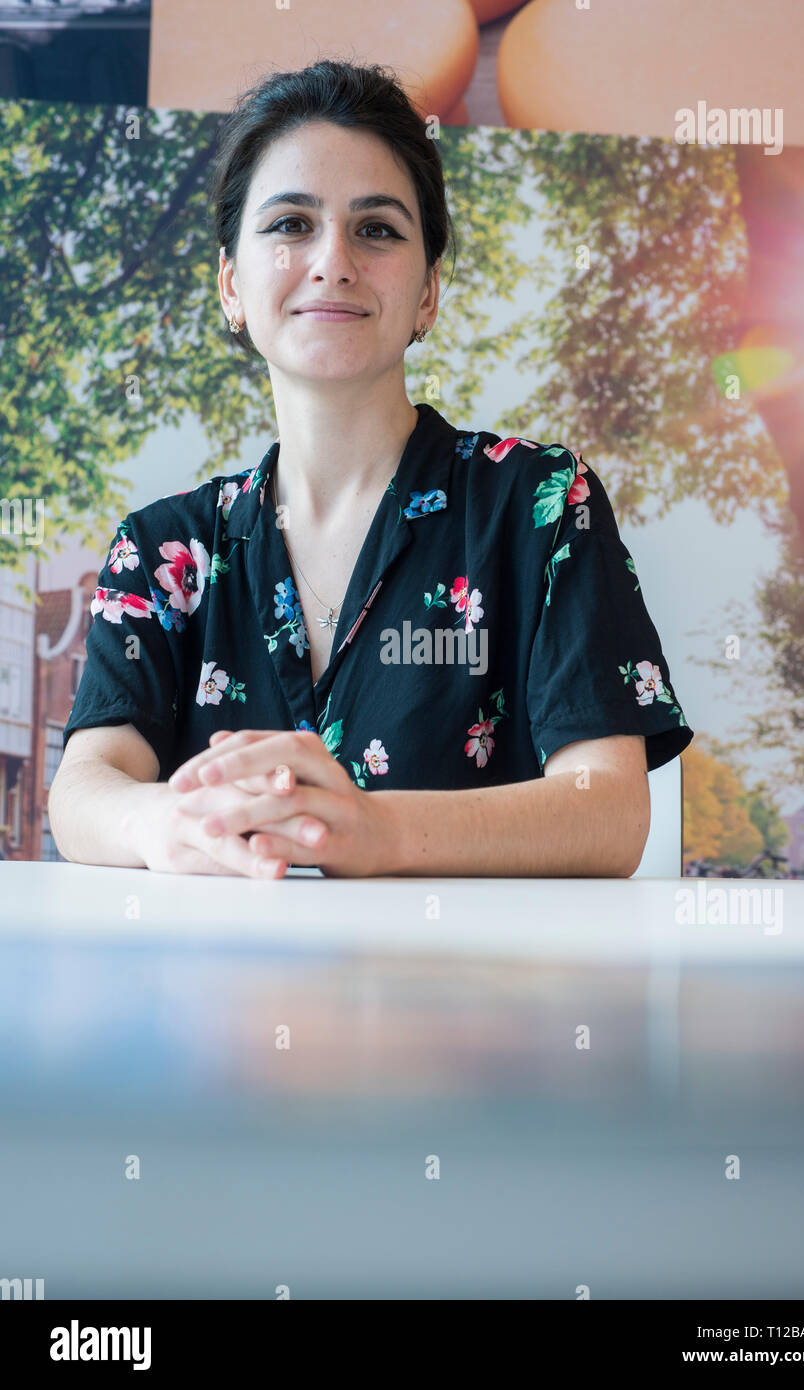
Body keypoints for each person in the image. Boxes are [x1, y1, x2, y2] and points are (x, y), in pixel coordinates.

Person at [50, 59, 694, 879]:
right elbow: (81, 790)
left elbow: (608, 813)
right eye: (289, 224)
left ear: (427, 293)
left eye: (378, 229)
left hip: (478, 1001)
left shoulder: (538, 501)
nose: (333, 261)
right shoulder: (161, 549)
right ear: (230, 288)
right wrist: (161, 825)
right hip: (217, 1002)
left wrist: (371, 829)